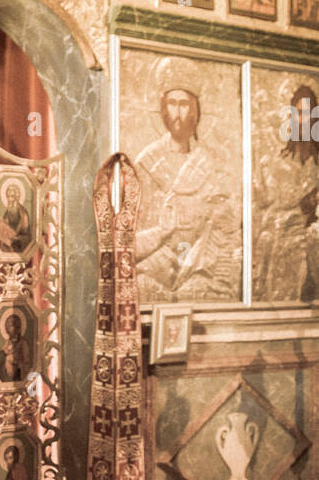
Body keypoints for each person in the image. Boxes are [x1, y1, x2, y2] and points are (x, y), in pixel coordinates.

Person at [134, 65, 240, 302]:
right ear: (163, 109)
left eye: (184, 104)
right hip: (160, 260)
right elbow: (129, 237)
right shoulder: (147, 163)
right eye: (172, 103)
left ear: (195, 110)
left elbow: (225, 229)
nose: (178, 113)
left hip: (201, 261)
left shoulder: (210, 164)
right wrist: (162, 231)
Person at [254, 84, 319, 303]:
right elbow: (266, 205)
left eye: (310, 114)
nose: (304, 120)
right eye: (299, 113)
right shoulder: (278, 162)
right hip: (283, 245)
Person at [0, 310, 33, 384]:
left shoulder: (23, 343)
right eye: (8, 326)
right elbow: (2, 355)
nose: (9, 328)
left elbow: (27, 362)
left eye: (11, 325)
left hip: (18, 375)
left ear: (18, 327)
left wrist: (17, 362)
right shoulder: (7, 342)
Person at [0, 180, 33, 253]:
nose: (9, 200)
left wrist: (15, 238)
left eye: (12, 196)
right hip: (6, 248)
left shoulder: (23, 213)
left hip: (18, 248)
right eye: (7, 196)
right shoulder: (8, 211)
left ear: (17, 198)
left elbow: (26, 235)